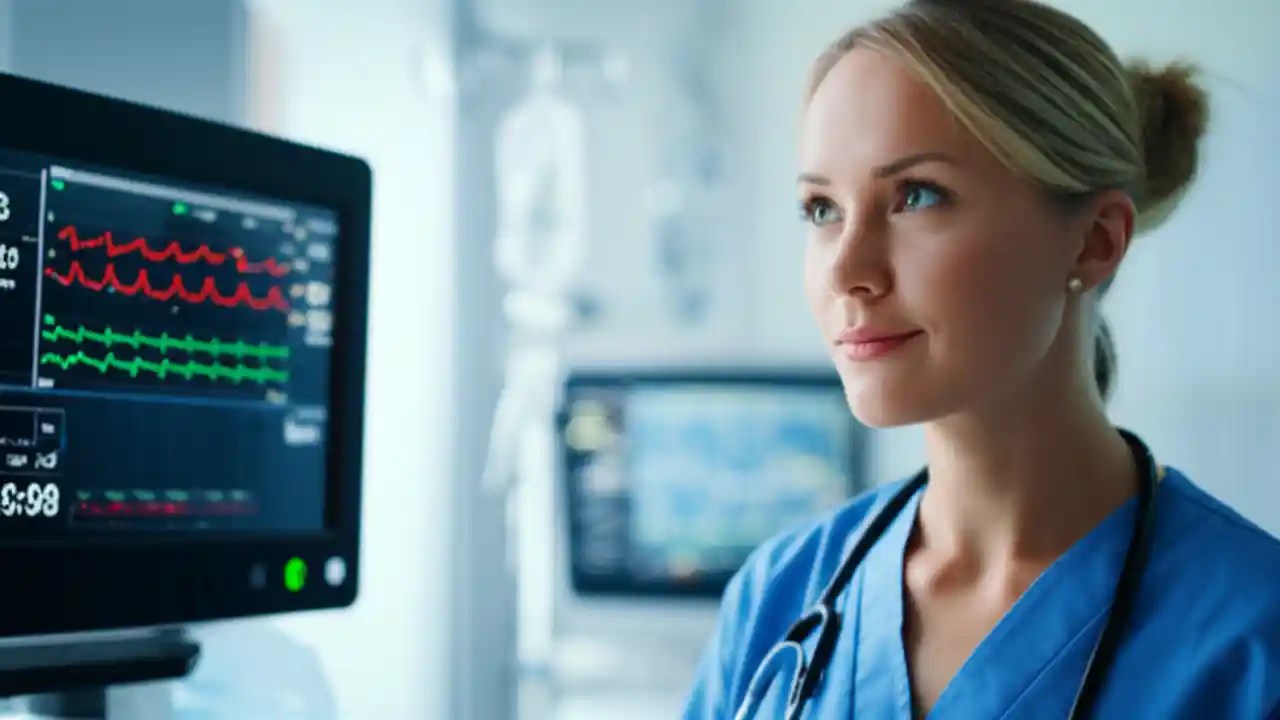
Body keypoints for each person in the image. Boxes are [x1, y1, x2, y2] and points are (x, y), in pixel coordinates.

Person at [683, 1, 1280, 718]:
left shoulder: (1255, 641)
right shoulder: (777, 596)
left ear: (1094, 241)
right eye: (821, 209)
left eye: (917, 196)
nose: (846, 270)